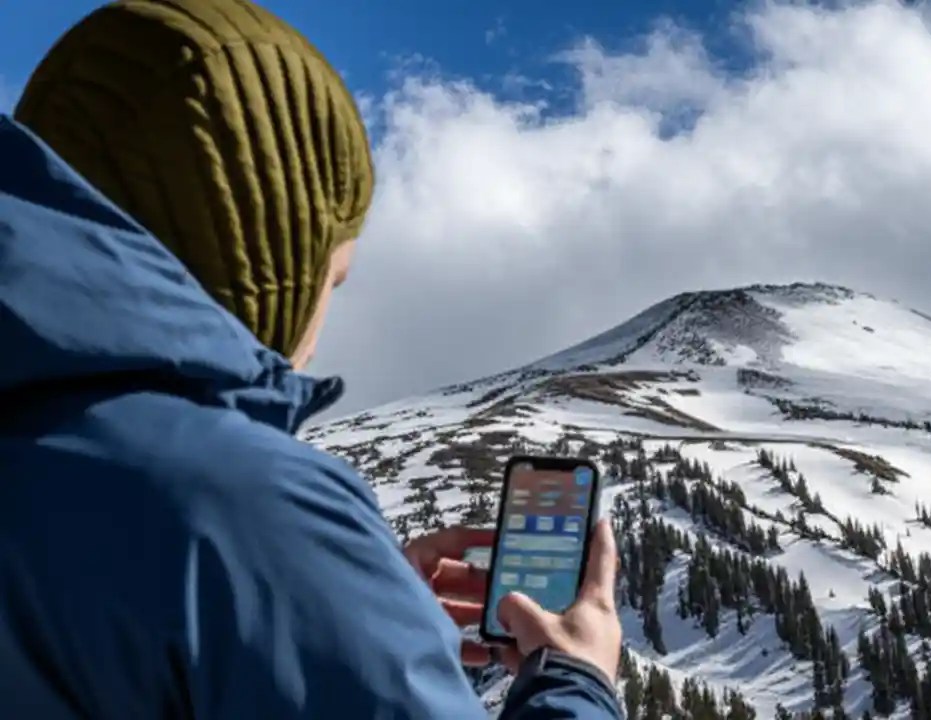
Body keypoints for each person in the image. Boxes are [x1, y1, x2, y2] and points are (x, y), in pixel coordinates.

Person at [0, 1, 623, 718]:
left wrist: (356, 616)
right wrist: (573, 680)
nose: (319, 331)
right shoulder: (234, 507)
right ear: (261, 252)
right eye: (332, 280)